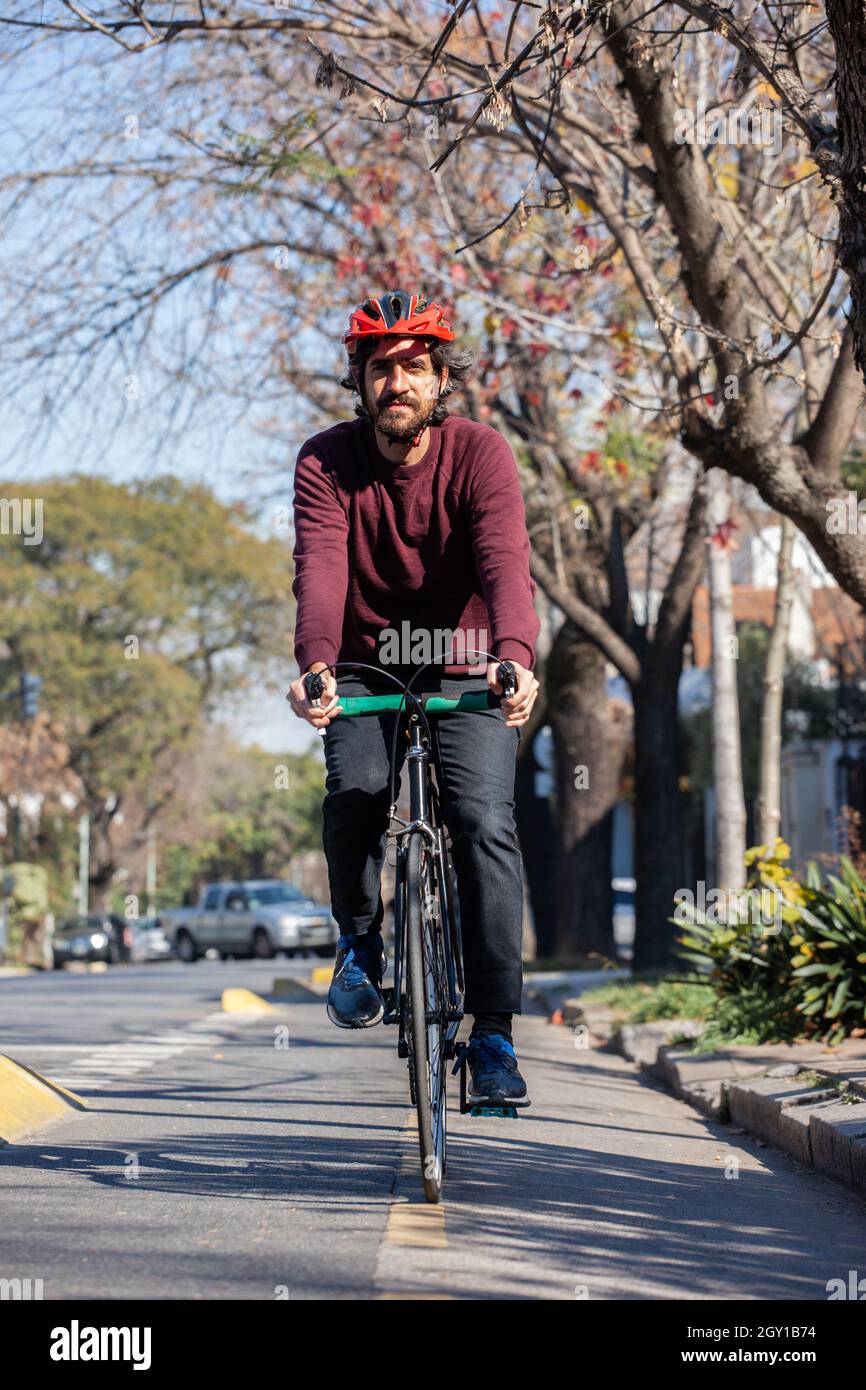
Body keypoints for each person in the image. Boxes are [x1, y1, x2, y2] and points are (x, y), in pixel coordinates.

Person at [287, 289, 540, 1103]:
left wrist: (515, 656)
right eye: (380, 369)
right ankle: (361, 943)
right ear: (358, 382)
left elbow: (505, 561)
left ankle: (494, 1034)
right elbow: (320, 571)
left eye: (414, 369)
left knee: (483, 823)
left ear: (440, 381)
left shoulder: (481, 454)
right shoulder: (325, 461)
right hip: (365, 666)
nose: (397, 383)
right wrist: (316, 665)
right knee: (357, 787)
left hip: (467, 664)